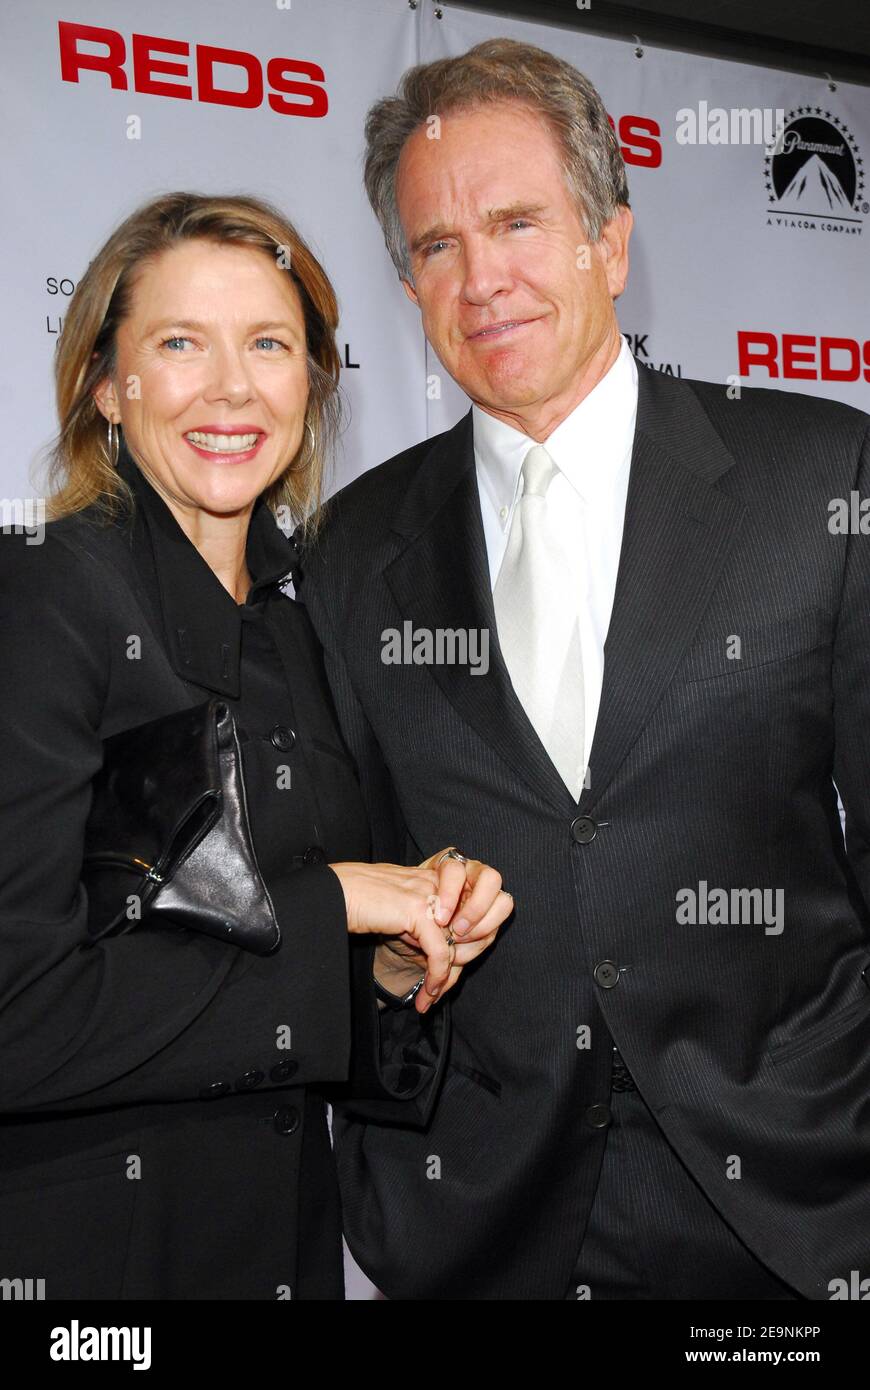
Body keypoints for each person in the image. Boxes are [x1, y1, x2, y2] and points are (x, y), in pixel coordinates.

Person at [294, 38, 870, 1300]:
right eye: (437, 245)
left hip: (786, 1217)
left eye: (516, 221)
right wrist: (397, 965)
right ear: (408, 287)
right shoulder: (347, 554)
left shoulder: (824, 481)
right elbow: (342, 901)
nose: (481, 277)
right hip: (481, 1231)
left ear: (610, 241)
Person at [0, 191, 511, 1300]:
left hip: (283, 1248)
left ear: (313, 386)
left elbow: (282, 996)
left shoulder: (305, 620)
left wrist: (385, 968)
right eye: (180, 343)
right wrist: (331, 902)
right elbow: (18, 1013)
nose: (231, 387)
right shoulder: (45, 590)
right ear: (105, 384)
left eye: (269, 344)